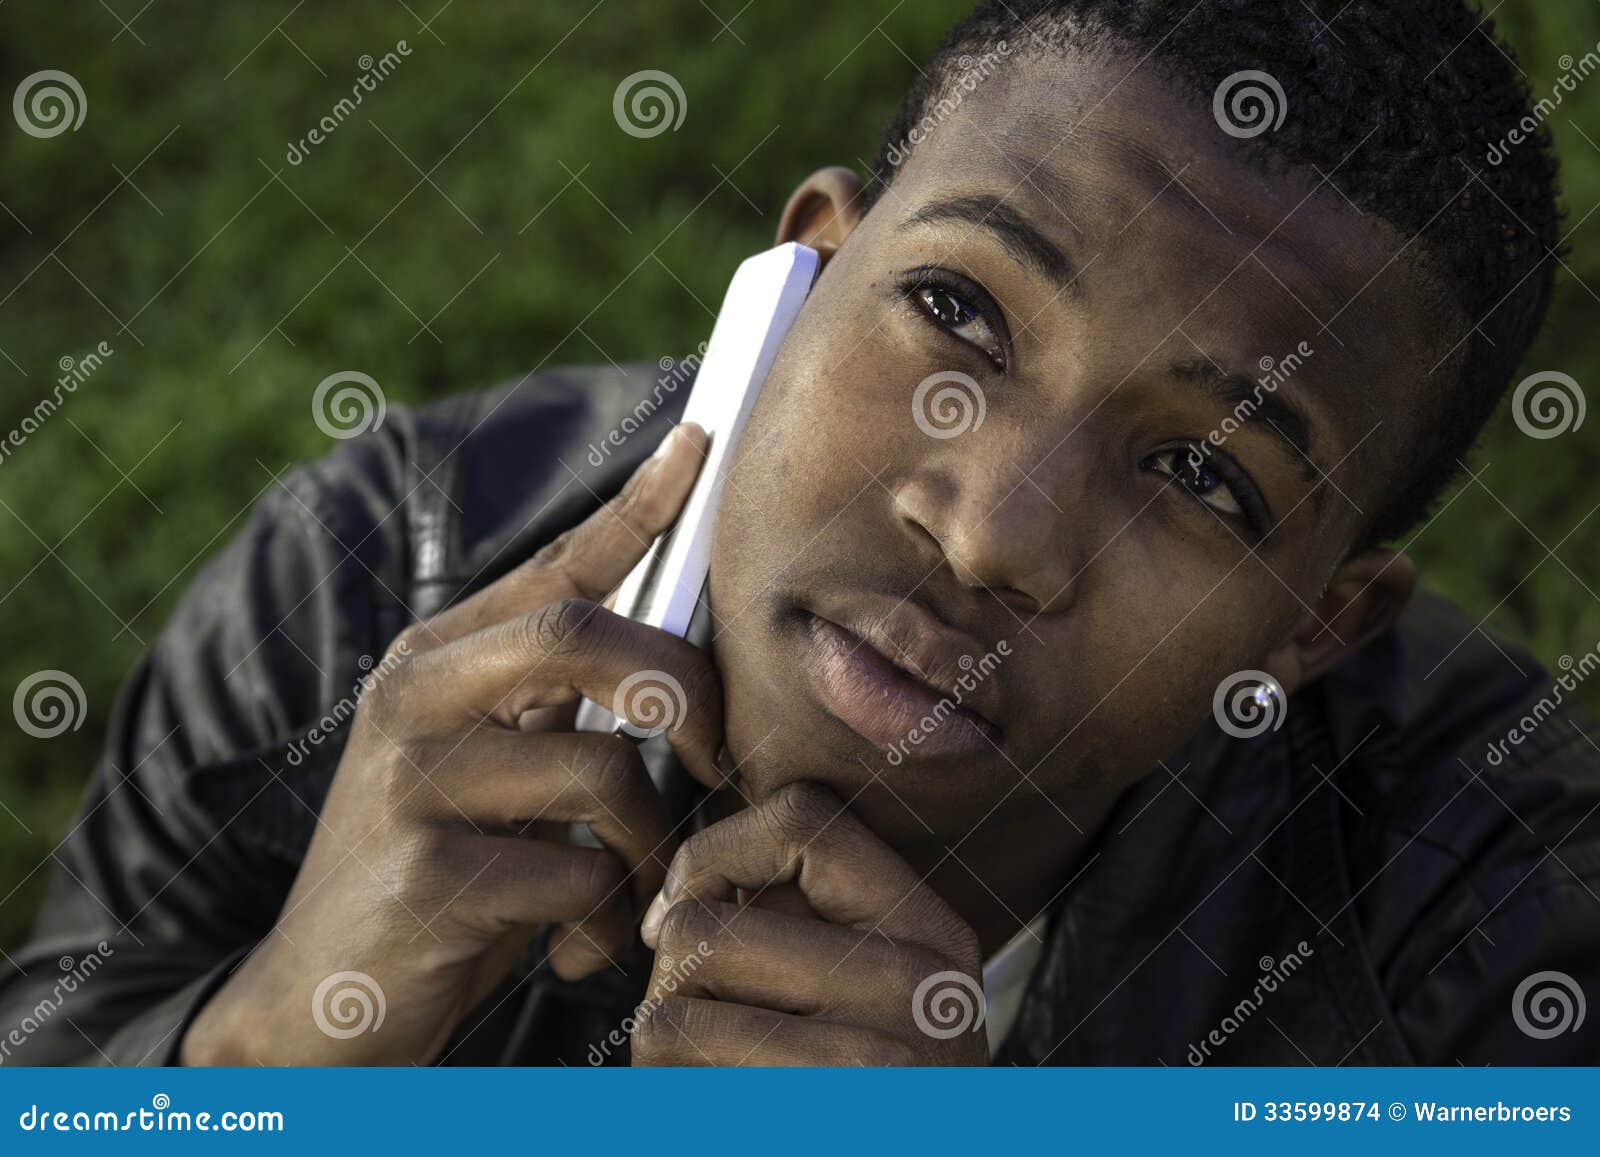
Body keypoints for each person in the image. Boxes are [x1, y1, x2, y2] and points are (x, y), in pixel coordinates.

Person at [3, 0, 1595, 1066]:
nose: (990, 530)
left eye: (1203, 474)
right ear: (804, 272)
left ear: (1316, 623)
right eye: (959, 311)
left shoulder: (1495, 925)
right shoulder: (379, 573)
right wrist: (275, 1040)